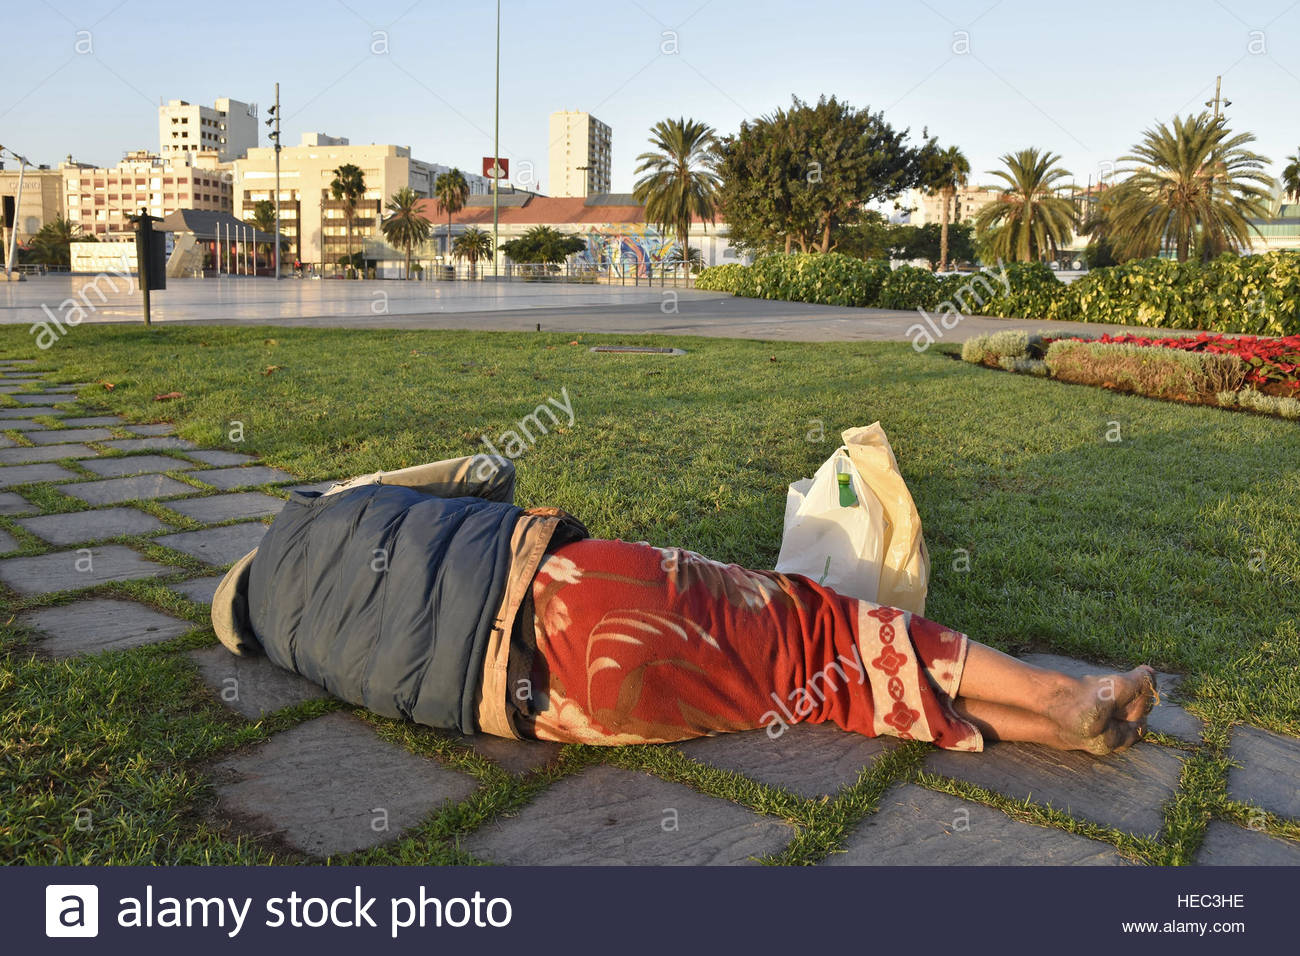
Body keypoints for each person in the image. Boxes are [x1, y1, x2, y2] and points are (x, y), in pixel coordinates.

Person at [212, 457, 1157, 755]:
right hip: (583, 596)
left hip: (554, 713)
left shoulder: (296, 646)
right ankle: (1056, 690)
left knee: (822, 687)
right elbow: (479, 475)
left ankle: (1055, 729)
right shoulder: (322, 511)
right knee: (818, 625)